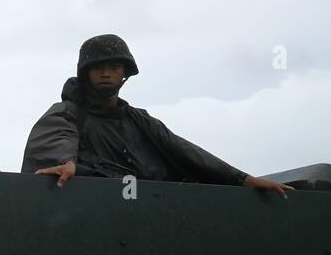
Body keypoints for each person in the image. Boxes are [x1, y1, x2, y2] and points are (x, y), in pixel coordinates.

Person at [22, 34, 292, 197]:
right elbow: (57, 141)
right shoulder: (67, 114)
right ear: (86, 74)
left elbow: (183, 151)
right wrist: (65, 163)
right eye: (98, 68)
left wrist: (242, 179)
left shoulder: (138, 121)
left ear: (124, 73)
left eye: (114, 66)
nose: (106, 73)